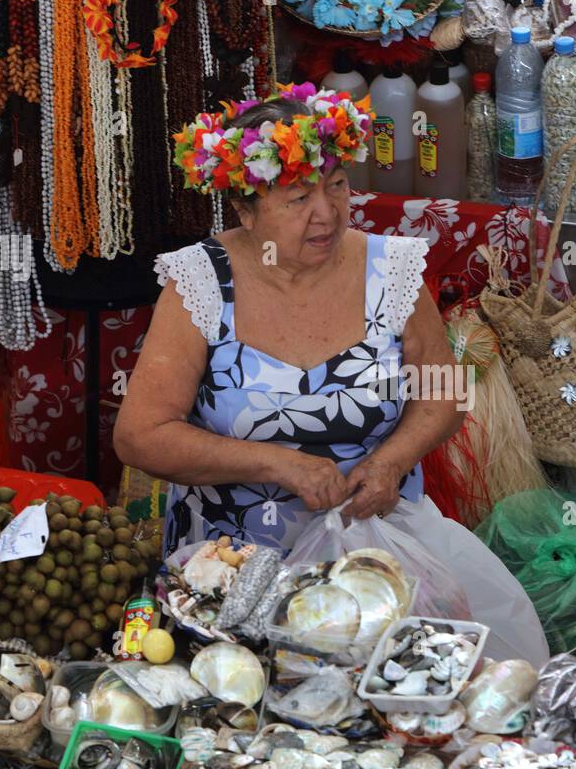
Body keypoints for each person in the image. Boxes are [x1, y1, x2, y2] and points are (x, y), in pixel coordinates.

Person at [113, 84, 464, 556]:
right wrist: (278, 464)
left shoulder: (393, 271)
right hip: (228, 559)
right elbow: (141, 437)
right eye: (299, 198)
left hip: (373, 554)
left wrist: (390, 463)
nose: (327, 213)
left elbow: (444, 391)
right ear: (245, 212)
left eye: (336, 185)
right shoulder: (200, 281)